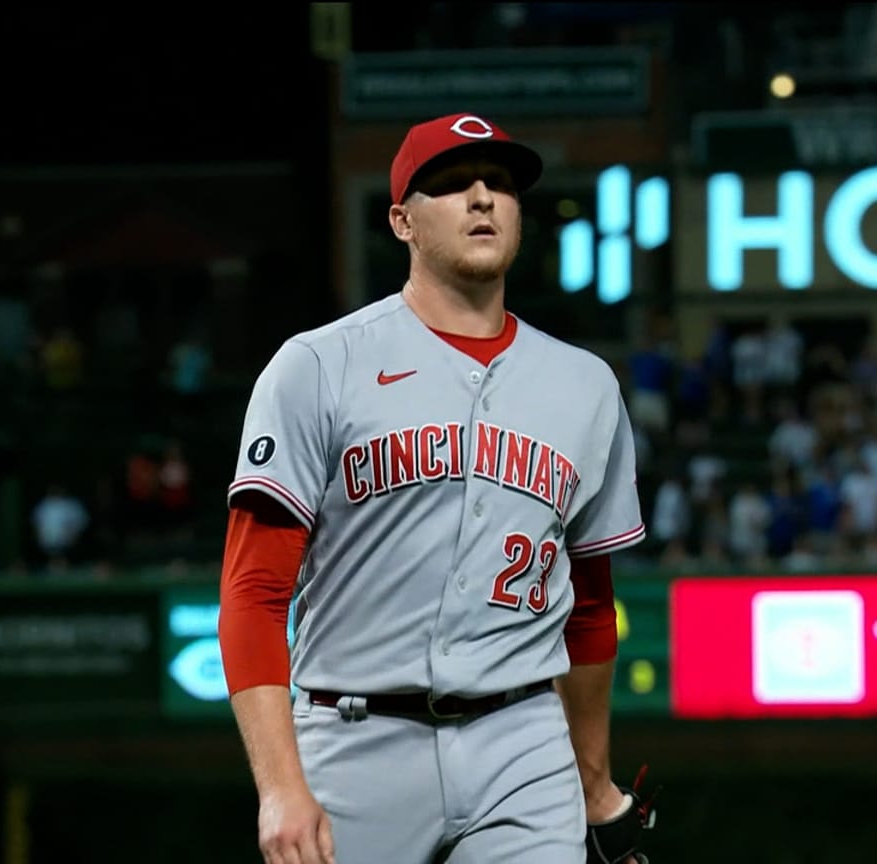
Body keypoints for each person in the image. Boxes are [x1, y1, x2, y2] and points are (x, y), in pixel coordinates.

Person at [219, 112, 650, 864]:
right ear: (402, 222)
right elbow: (254, 592)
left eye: (500, 184)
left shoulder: (585, 385)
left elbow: (588, 607)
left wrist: (591, 780)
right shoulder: (319, 365)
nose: (482, 198)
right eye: (451, 184)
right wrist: (281, 787)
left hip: (523, 744)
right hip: (354, 740)